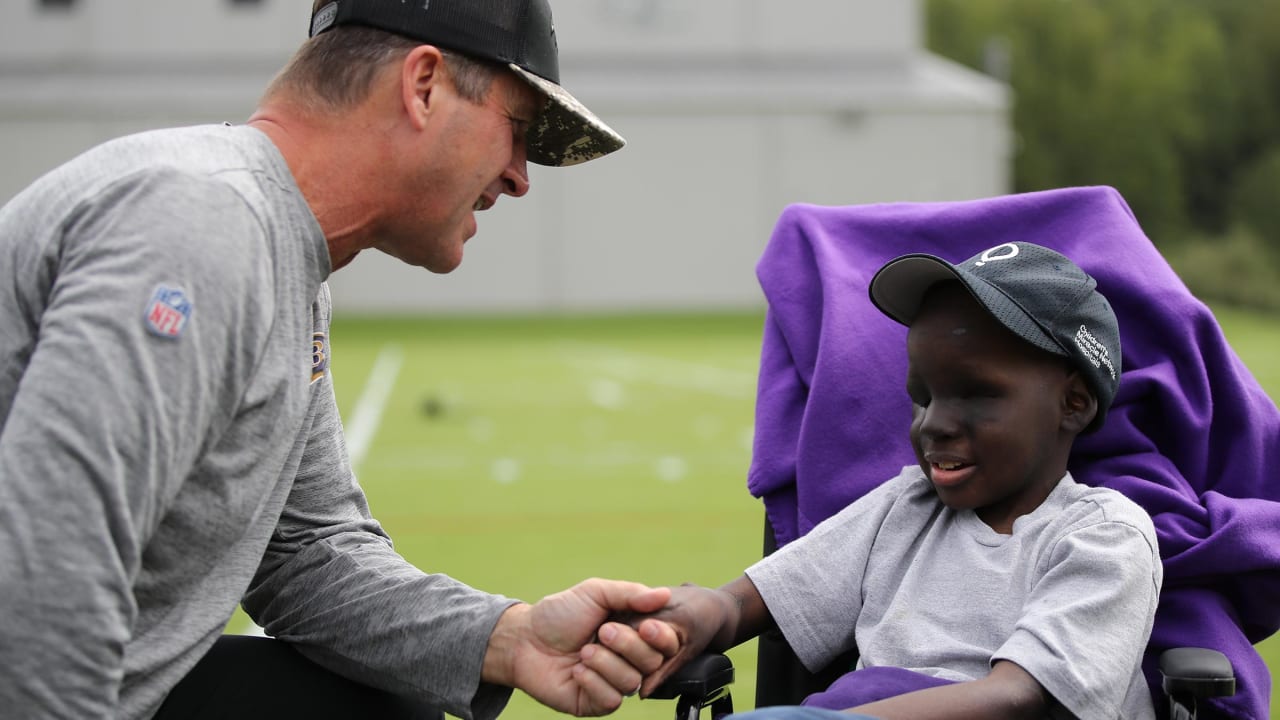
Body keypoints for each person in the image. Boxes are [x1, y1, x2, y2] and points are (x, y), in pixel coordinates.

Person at [0, 0, 678, 718]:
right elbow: (47, 575)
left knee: (386, 708)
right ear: (422, 86)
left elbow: (302, 552)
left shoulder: (277, 252)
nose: (519, 176)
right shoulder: (202, 228)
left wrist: (509, 639)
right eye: (517, 129)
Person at [630, 242, 1163, 719]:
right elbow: (744, 605)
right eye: (923, 397)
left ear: (1072, 403)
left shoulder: (1102, 535)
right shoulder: (904, 508)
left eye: (974, 394)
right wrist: (680, 618)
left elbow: (1017, 697)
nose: (933, 423)